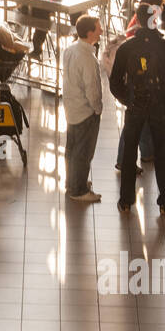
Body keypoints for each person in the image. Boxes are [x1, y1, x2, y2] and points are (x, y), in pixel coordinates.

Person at [110, 1, 165, 214]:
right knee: (161, 154)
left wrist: (129, 99)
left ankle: (125, 202)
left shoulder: (127, 48)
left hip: (135, 107)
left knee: (129, 153)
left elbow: (115, 82)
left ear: (139, 19)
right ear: (156, 19)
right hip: (159, 107)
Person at [113, 0, 164, 171]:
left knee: (142, 123)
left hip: (139, 85)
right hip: (139, 84)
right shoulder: (139, 32)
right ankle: (122, 160)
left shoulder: (140, 22)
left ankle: (147, 152)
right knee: (132, 127)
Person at [62, 15, 104, 202]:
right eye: (98, 28)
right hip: (85, 111)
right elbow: (92, 89)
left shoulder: (70, 49)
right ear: (89, 33)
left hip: (71, 108)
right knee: (83, 152)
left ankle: (72, 182)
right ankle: (78, 190)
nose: (101, 30)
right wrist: (97, 109)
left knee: (71, 149)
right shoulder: (88, 57)